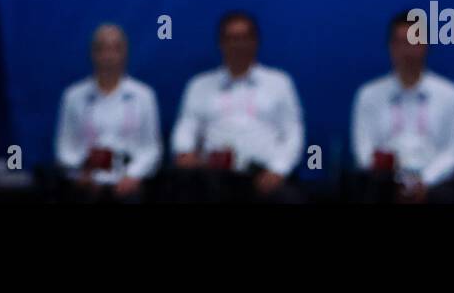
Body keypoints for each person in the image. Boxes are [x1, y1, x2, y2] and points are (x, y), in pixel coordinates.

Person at [171, 12, 304, 202]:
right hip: (213, 176)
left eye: (244, 38)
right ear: (221, 43)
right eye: (231, 39)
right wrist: (184, 151)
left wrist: (278, 170)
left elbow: (293, 133)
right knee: (182, 184)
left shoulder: (279, 83)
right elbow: (187, 125)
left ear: (255, 41)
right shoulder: (199, 85)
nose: (237, 45)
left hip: (262, 176)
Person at [349, 11, 454, 203]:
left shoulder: (449, 94)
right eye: (401, 43)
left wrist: (425, 180)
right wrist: (396, 181)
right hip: (384, 182)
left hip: (433, 182)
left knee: (447, 196)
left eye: (414, 41)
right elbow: (363, 149)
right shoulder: (369, 95)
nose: (407, 50)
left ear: (426, 45)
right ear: (391, 47)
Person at [54, 24, 161, 202]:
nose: (108, 56)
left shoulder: (143, 95)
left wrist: (132, 176)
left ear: (125, 53)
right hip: (86, 183)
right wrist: (81, 172)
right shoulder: (73, 96)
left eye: (115, 49)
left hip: (128, 182)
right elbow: (65, 147)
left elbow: (151, 148)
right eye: (101, 48)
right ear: (92, 54)